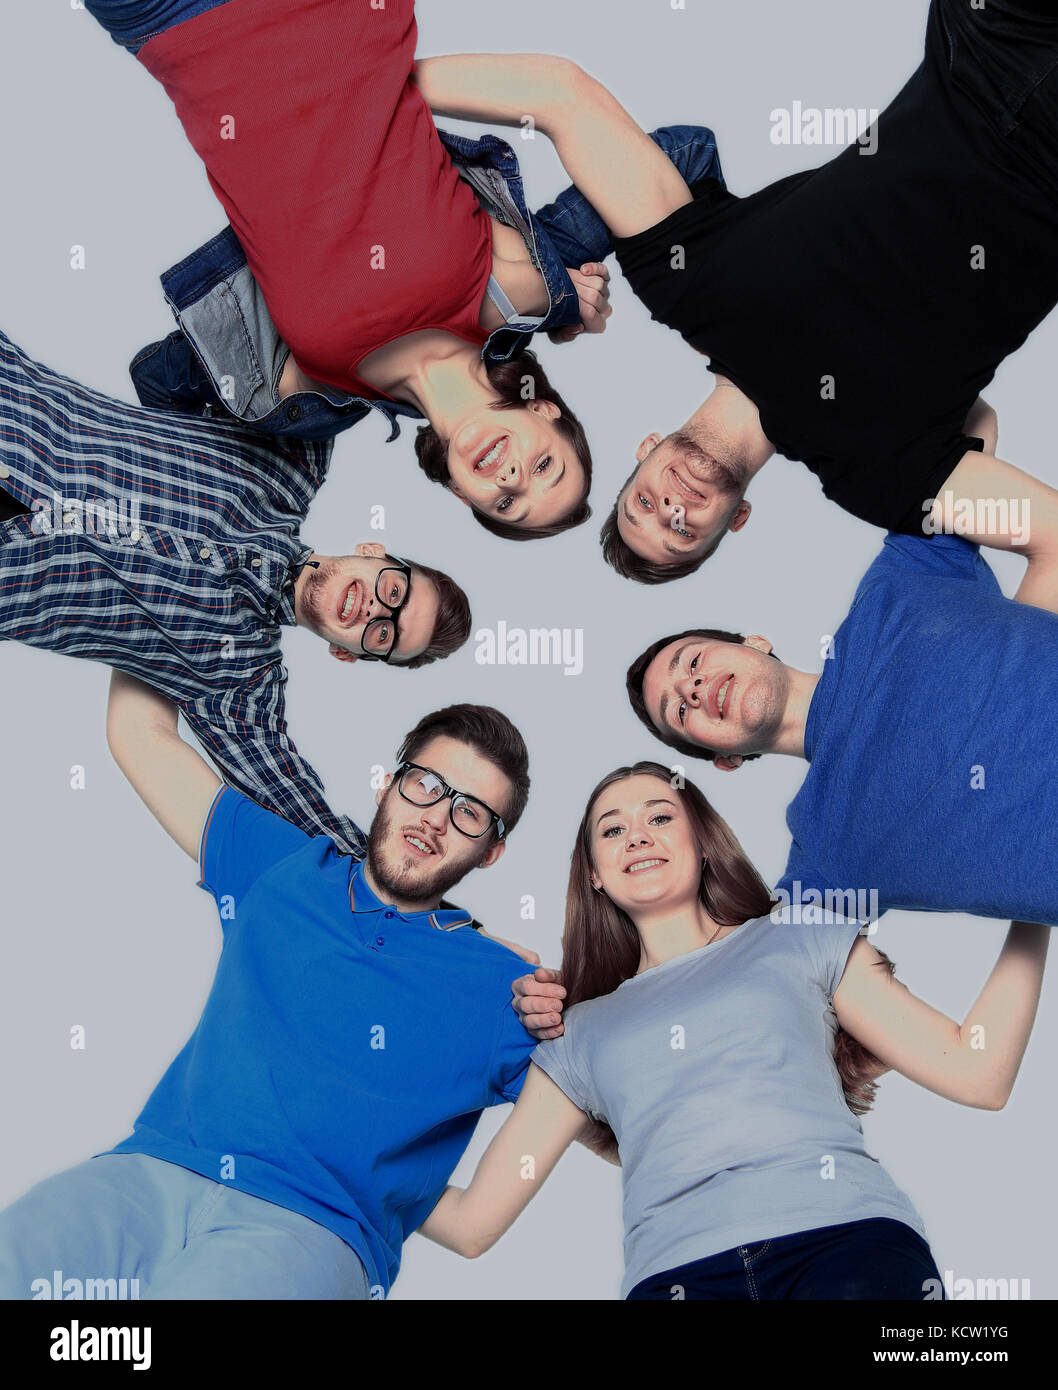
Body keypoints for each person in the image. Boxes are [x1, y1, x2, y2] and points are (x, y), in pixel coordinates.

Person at [407, 3, 1058, 579]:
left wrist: (371, 93)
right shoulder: (874, 477)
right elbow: (1048, 536)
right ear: (738, 519)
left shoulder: (682, 284)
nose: (672, 508)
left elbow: (559, 96)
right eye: (683, 533)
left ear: (645, 449)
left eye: (644, 507)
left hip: (986, 43)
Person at [0, 687, 556, 1300]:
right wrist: (167, 595)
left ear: (491, 852)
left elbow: (611, 1104)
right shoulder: (282, 865)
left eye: (470, 812)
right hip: (149, 1172)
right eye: (425, 784)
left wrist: (563, 1010)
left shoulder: (504, 988)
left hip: (310, 1229)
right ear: (388, 784)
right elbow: (138, 730)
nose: (435, 816)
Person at [420, 764, 1048, 1300]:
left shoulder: (799, 936)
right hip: (676, 1275)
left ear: (701, 840)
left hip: (848, 1245)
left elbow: (978, 1073)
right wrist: (333, 1149)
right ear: (594, 874)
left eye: (660, 817)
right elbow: (474, 1224)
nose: (637, 835)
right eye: (612, 829)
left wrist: (1037, 903)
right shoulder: (577, 1031)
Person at [0, 328, 470, 847]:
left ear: (346, 653)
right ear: (374, 552)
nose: (376, 612)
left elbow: (314, 833)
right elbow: (197, 354)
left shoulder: (238, 681)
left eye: (384, 636)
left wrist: (420, 902)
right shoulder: (293, 451)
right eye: (395, 594)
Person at [625, 527, 1058, 926]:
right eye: (679, 711)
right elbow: (750, 973)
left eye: (694, 661)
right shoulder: (824, 861)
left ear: (754, 642)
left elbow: (955, 457)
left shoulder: (899, 580)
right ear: (726, 760)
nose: (693, 687)